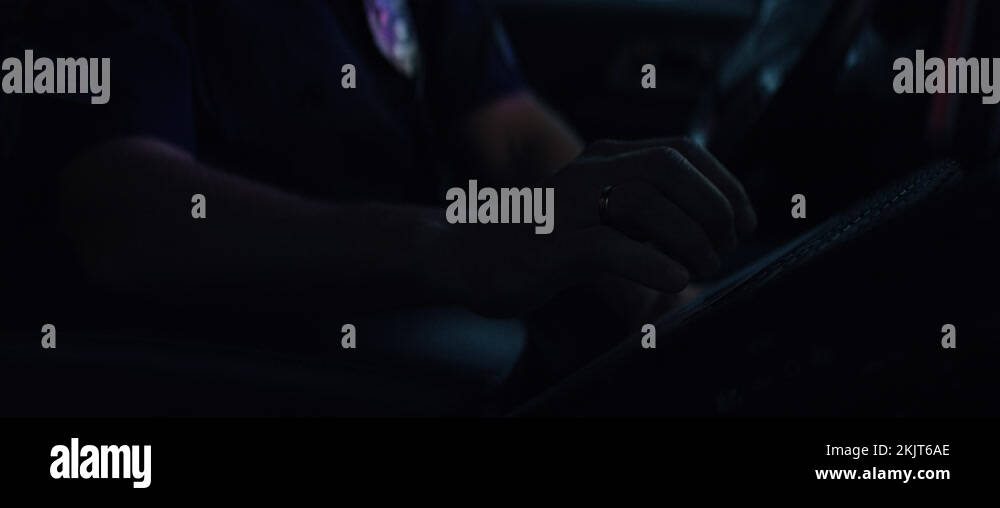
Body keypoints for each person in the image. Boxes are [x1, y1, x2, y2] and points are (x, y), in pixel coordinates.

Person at [4, 0, 756, 394]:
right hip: (261, 359)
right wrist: (450, 246)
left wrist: (651, 272)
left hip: (420, 323)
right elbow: (123, 212)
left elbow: (509, 130)